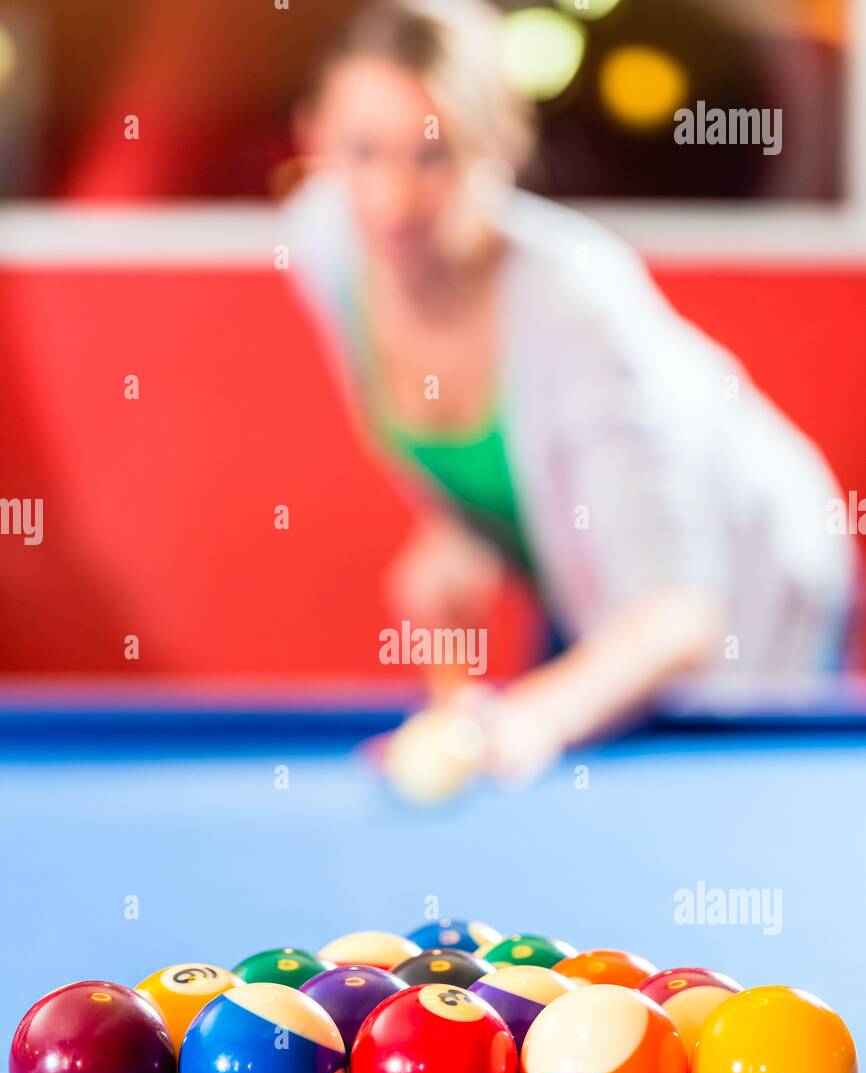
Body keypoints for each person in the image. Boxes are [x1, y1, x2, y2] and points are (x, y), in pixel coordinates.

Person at [281, 0, 855, 785]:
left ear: (502, 148)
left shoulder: (577, 306)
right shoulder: (325, 247)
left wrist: (525, 723)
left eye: (434, 155)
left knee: (671, 828)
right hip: (589, 578)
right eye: (362, 152)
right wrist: (469, 530)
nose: (392, 199)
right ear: (313, 138)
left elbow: (677, 613)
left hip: (745, 586)